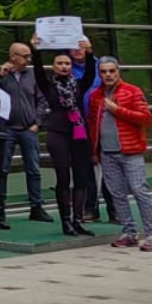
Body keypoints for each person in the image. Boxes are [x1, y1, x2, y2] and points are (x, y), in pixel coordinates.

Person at [87, 58, 152, 251]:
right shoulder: (95, 96)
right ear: (99, 74)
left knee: (139, 190)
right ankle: (129, 232)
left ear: (118, 71)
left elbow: (146, 118)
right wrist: (95, 151)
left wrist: (117, 110)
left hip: (131, 151)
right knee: (117, 194)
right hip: (107, 153)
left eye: (111, 71)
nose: (108, 75)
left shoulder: (132, 91)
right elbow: (93, 126)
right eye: (104, 71)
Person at [0, 41, 51, 226]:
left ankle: (36, 207)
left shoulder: (32, 76)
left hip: (28, 128)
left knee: (33, 169)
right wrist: (0, 76)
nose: (28, 59)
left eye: (29, 56)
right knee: (2, 169)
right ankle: (0, 209)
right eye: (25, 56)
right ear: (13, 56)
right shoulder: (0, 75)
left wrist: (37, 122)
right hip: (7, 129)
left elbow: (42, 100)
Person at [41, 51, 96, 235]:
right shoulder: (48, 85)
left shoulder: (79, 84)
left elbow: (90, 73)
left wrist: (89, 53)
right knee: (63, 177)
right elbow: (38, 72)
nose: (64, 66)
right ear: (53, 66)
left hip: (78, 132)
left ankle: (78, 219)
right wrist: (37, 49)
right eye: (60, 63)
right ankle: (65, 221)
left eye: (67, 63)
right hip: (58, 133)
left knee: (81, 177)